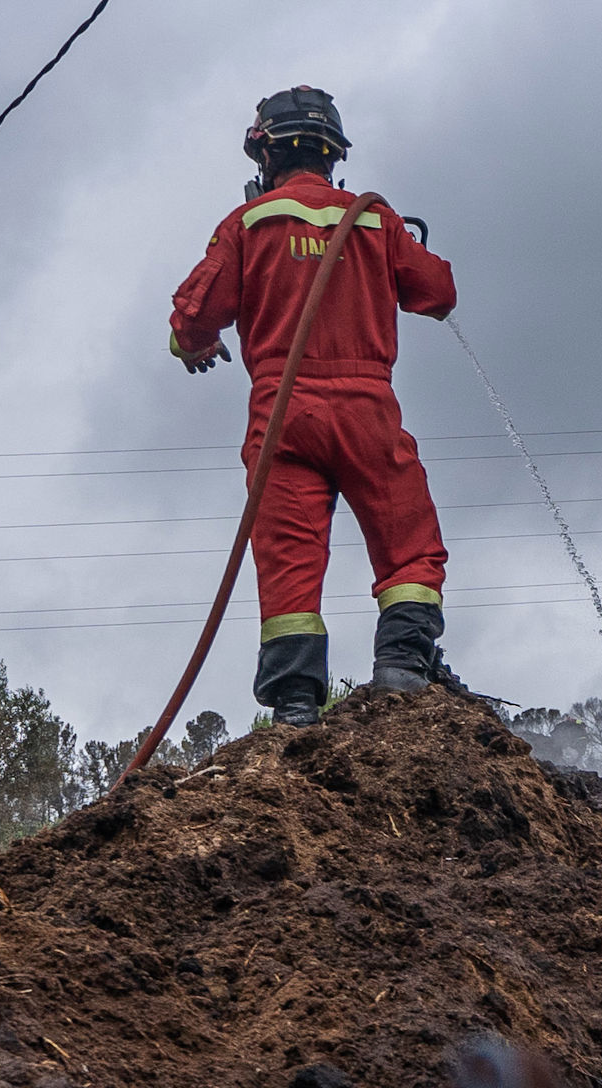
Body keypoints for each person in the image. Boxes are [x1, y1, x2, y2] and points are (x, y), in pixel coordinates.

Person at [169, 87, 460, 726]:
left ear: (264, 153)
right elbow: (438, 292)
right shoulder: (373, 219)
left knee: (289, 560)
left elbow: (193, 318)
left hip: (282, 415)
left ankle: (297, 705)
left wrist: (192, 344)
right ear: (332, 157)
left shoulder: (248, 223)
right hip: (367, 407)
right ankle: (405, 667)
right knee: (407, 538)